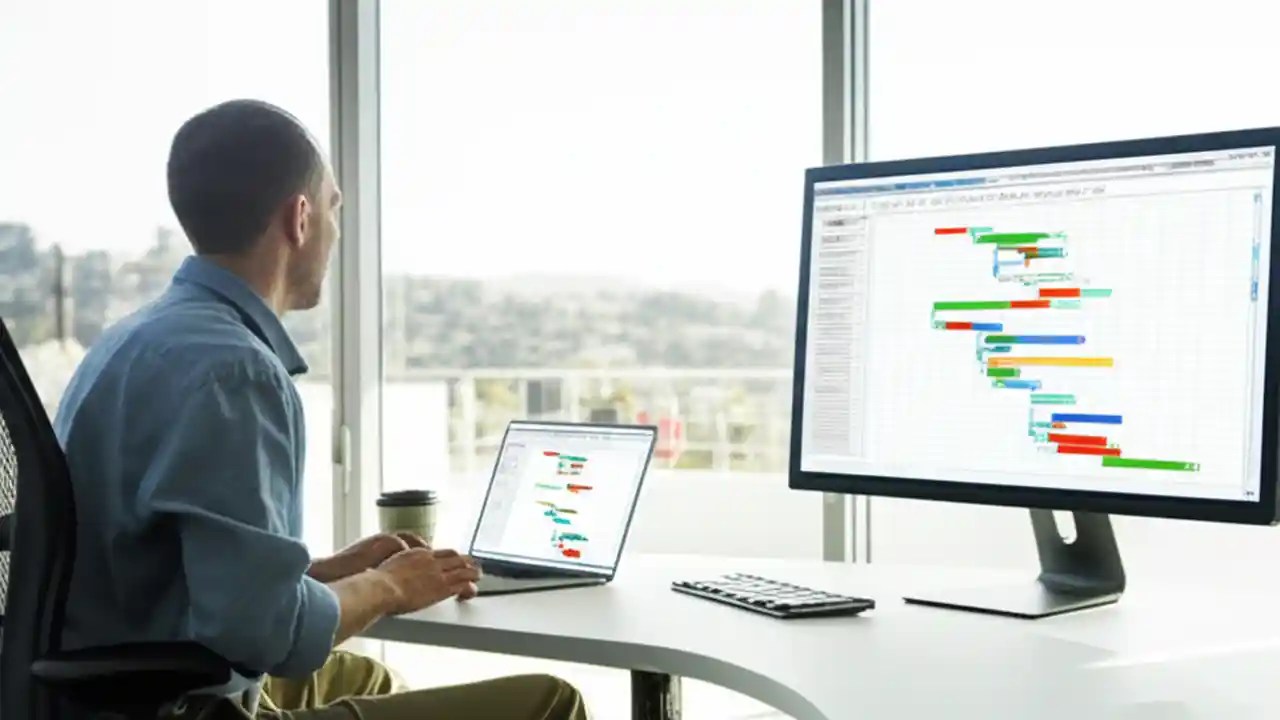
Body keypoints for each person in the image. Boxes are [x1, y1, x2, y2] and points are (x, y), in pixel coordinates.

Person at [52, 99, 588, 720]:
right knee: (550, 703)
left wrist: (330, 569)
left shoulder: (135, 337)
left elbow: (175, 566)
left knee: (369, 678)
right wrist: (390, 585)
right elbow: (263, 634)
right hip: (177, 709)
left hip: (106, 687)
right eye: (335, 208)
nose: (337, 233)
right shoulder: (234, 370)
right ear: (300, 219)